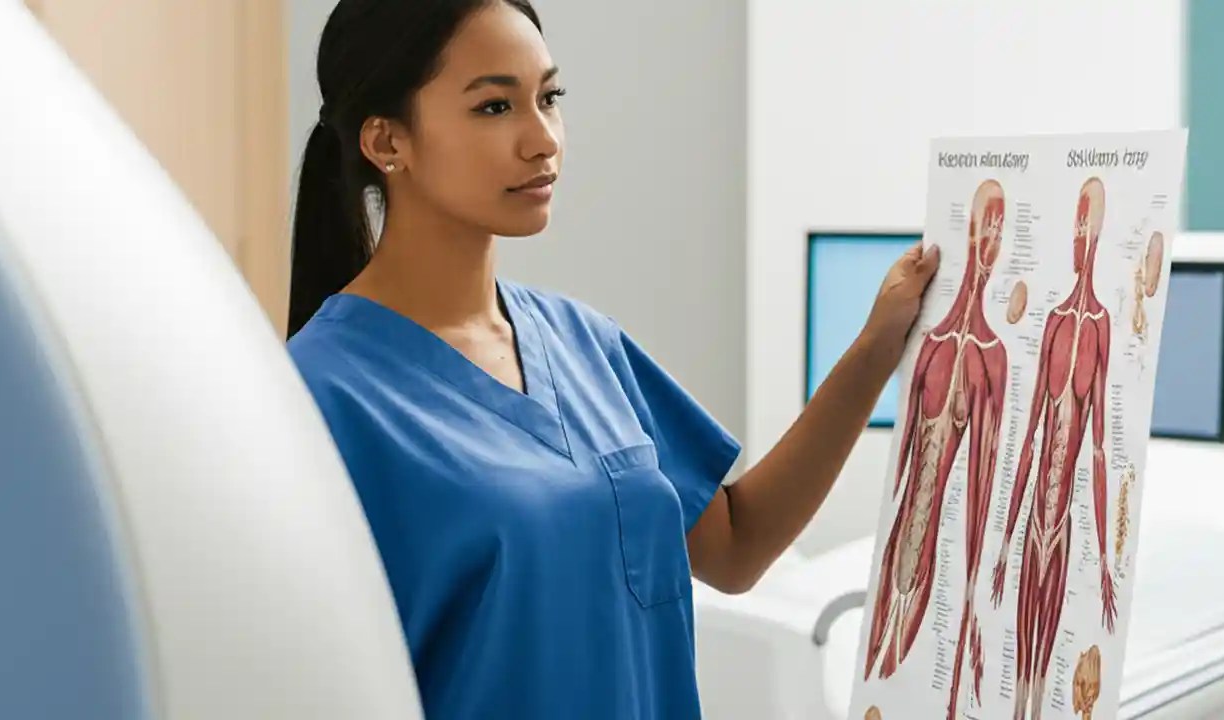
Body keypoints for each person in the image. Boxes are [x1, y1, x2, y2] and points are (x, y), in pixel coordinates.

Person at [285, 1, 940, 718]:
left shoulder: (582, 342)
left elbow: (737, 547)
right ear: (387, 140)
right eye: (495, 106)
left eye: (549, 98)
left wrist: (878, 345)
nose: (543, 140)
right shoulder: (320, 394)